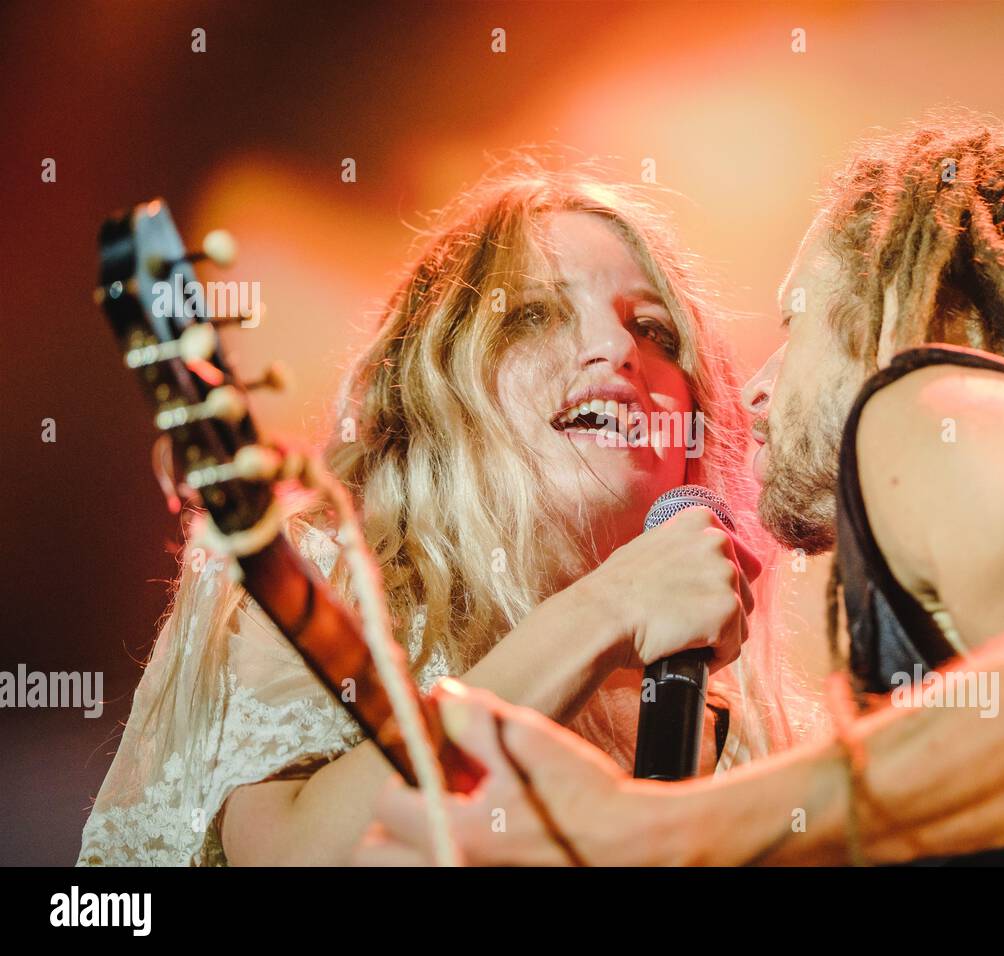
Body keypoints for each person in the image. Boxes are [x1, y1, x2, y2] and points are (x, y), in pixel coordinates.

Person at [358, 114, 1004, 867]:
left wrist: (659, 832)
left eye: (796, 320)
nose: (756, 391)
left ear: (918, 310)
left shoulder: (930, 407)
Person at [77, 159, 814, 866]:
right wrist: (605, 609)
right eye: (533, 315)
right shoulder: (331, 582)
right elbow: (297, 857)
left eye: (653, 330)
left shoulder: (759, 738)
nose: (616, 347)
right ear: (433, 389)